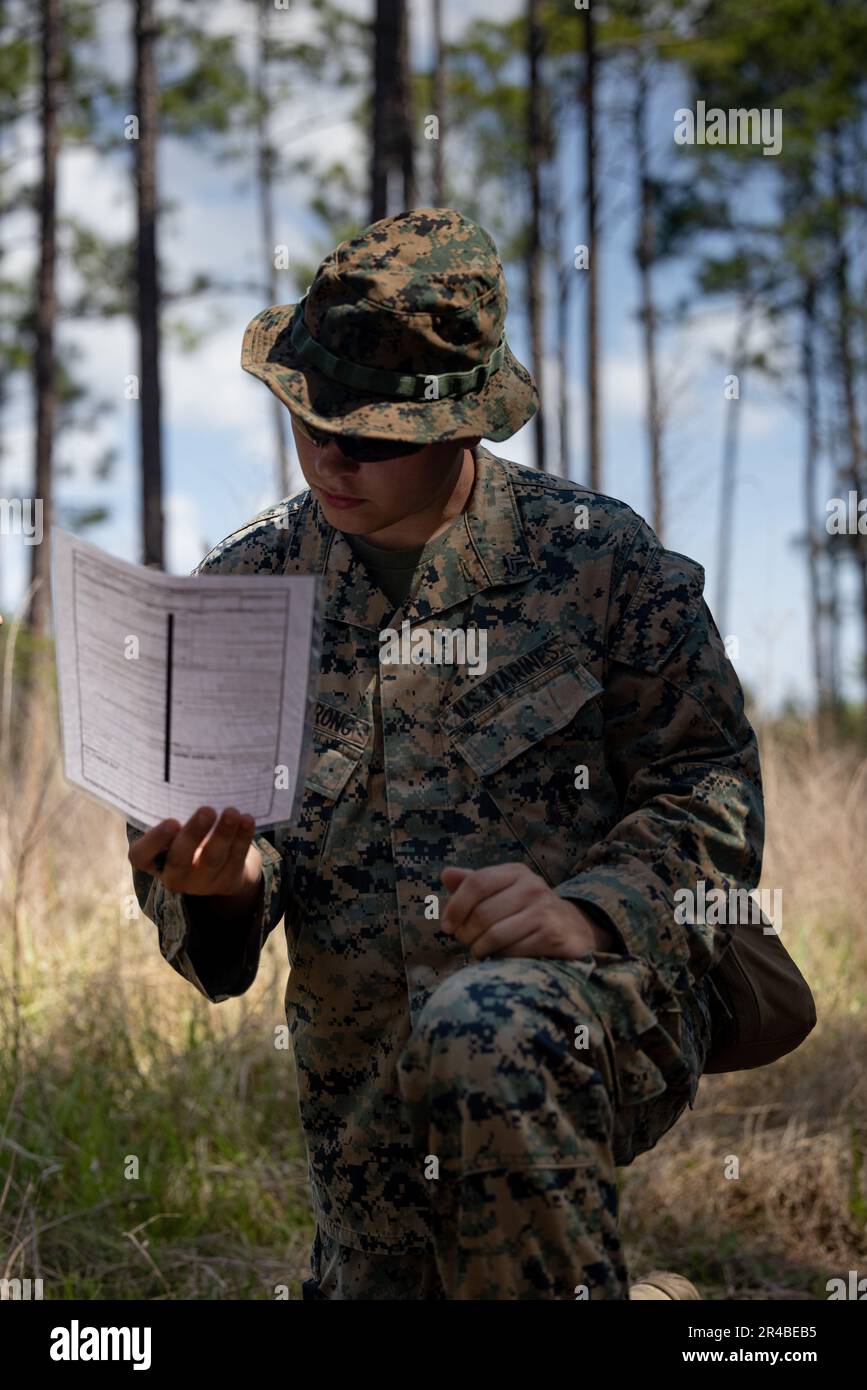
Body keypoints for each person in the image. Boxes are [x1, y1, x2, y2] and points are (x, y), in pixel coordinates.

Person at [127, 207, 764, 1300]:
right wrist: (222, 886)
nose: (330, 458)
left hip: (583, 1018)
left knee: (488, 1026)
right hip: (362, 1084)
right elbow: (206, 892)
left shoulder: (597, 565)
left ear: (463, 427)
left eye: (371, 436)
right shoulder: (242, 595)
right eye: (308, 417)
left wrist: (596, 908)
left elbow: (709, 791)